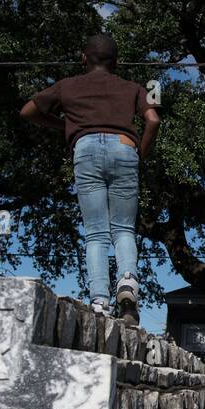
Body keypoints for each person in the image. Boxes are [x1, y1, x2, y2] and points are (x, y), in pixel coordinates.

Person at [19, 33, 161, 325]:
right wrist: (140, 154)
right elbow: (153, 119)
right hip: (125, 148)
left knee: (96, 232)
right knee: (123, 227)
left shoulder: (68, 85)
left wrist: (65, 126)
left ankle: (99, 302)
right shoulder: (132, 88)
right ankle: (127, 283)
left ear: (84, 59)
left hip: (84, 149)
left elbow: (28, 111)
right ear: (117, 62)